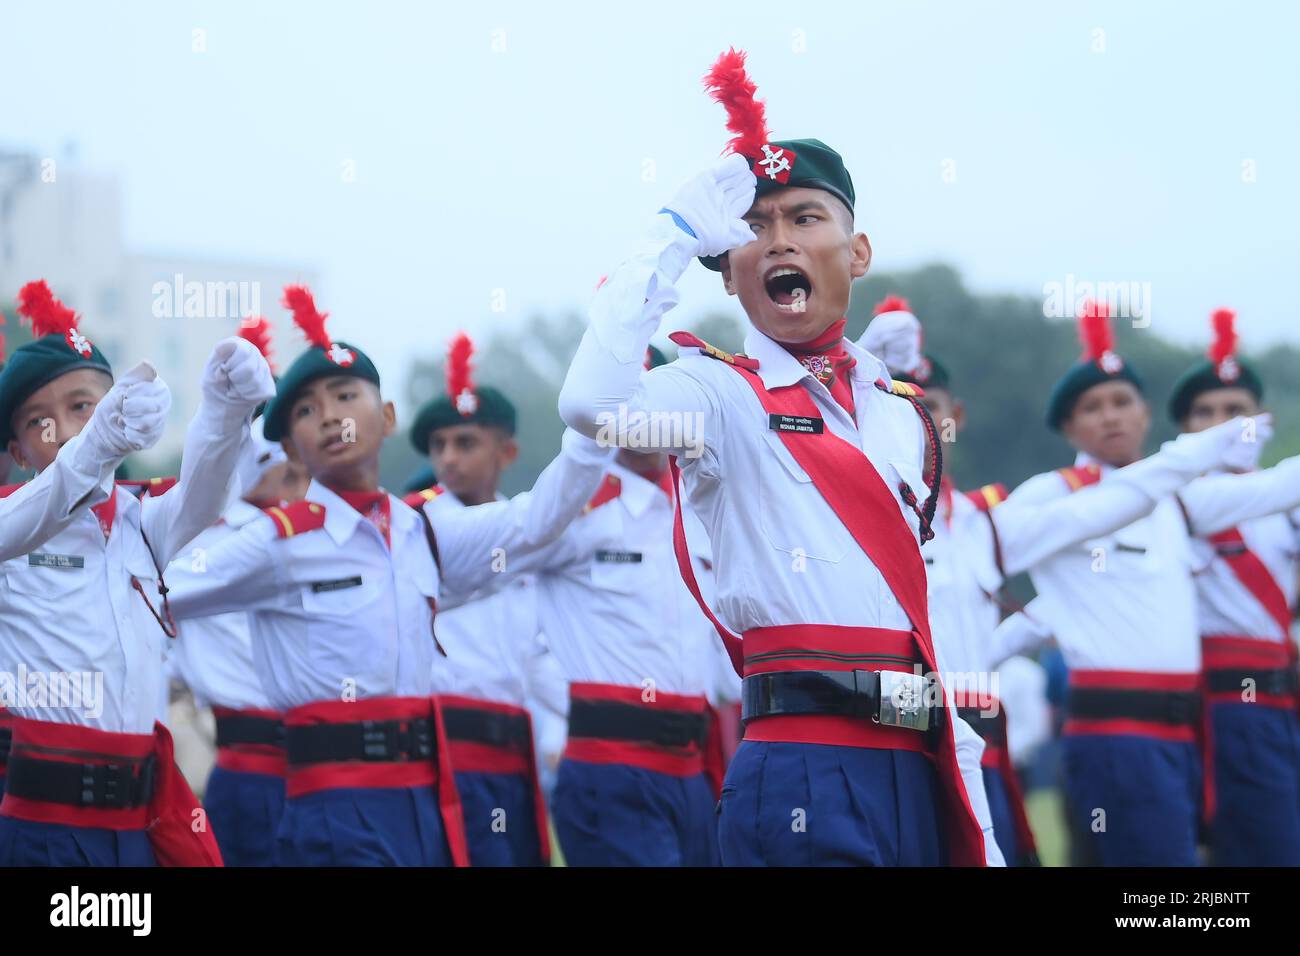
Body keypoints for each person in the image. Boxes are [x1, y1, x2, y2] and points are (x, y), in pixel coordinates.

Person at [558, 49, 1000, 865]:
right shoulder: (716, 395)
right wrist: (670, 236)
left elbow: (923, 631)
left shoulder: (901, 414)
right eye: (754, 228)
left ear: (857, 253)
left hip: (916, 761)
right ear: (729, 275)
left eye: (803, 218)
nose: (778, 241)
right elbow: (594, 406)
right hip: (801, 766)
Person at [167, 285, 611, 866]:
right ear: (292, 449)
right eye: (307, 410)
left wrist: (608, 371)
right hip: (332, 803)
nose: (330, 416)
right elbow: (151, 590)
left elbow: (538, 517)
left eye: (346, 396)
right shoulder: (280, 542)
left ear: (388, 417)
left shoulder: (421, 533)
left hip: (425, 801)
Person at [0, 279, 274, 866]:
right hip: (43, 827)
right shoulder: (12, 525)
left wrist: (226, 410)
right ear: (18, 452)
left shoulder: (139, 521)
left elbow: (203, 496)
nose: (65, 430)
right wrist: (98, 442)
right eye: (40, 421)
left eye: (83, 407)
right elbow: (43, 505)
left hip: (137, 825)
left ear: (121, 405)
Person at [539, 345, 730, 866]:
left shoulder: (701, 505)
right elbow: (503, 595)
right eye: (620, 402)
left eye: (644, 400)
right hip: (612, 766)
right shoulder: (575, 510)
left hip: (693, 765)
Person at [407, 331, 566, 866]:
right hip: (446, 747)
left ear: (507, 451)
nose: (448, 458)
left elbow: (538, 655)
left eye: (465, 443)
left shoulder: (526, 535)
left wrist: (574, 726)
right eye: (438, 445)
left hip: (514, 749)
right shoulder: (416, 527)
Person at [165, 317, 309, 866]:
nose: (304, 484)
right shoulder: (205, 543)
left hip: (324, 769)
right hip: (251, 771)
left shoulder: (326, 535)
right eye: (292, 472)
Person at [1168, 307, 1300, 865]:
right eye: (1207, 413)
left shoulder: (1283, 502)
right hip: (1221, 703)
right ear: (1185, 429)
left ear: (1261, 419)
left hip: (1284, 698)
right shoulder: (1174, 499)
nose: (1223, 424)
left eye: (1236, 411)